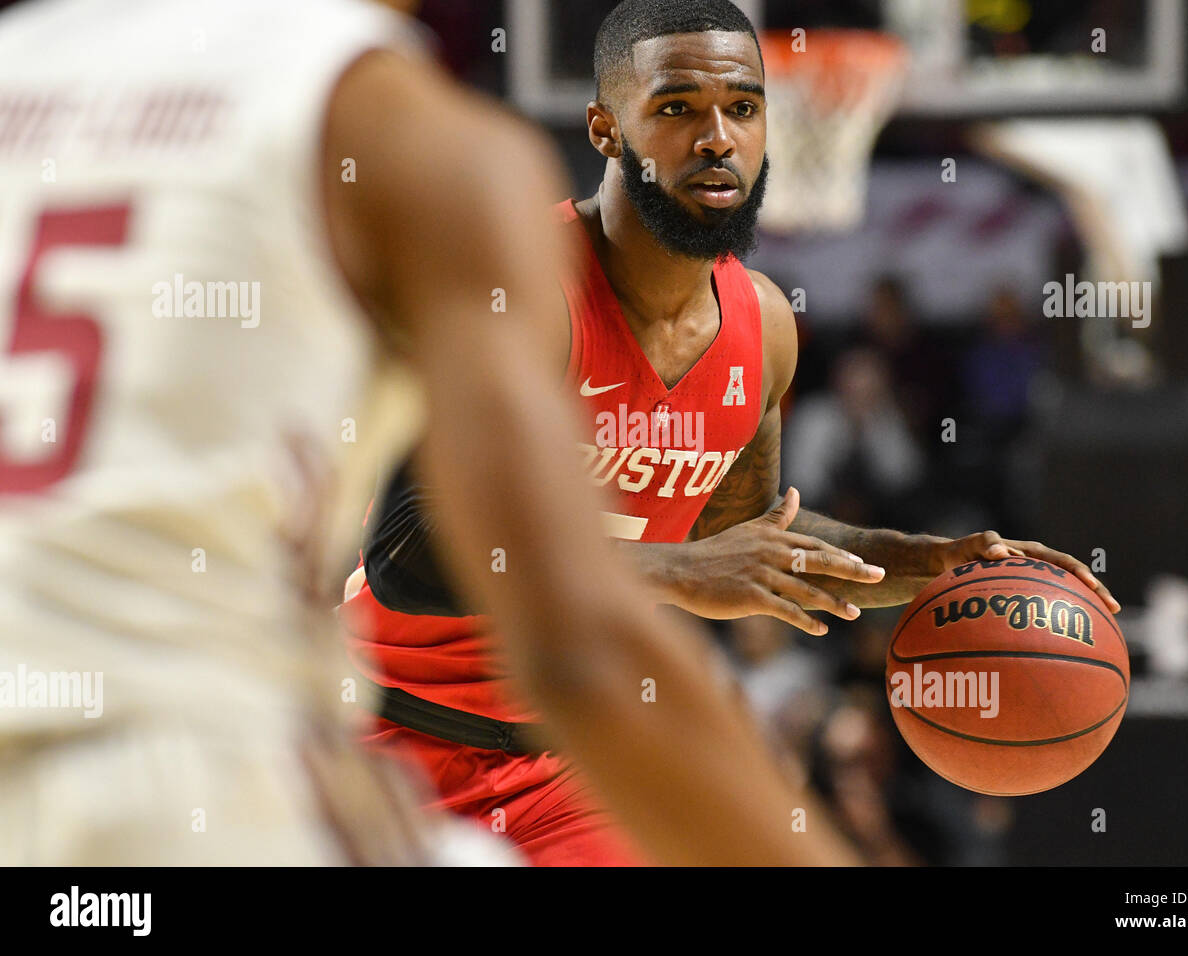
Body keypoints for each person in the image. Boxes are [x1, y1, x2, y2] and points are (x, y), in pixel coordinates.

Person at [0, 0, 855, 867]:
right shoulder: (406, 133)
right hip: (197, 763)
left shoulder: (20, 60)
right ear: (607, 127)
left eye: (743, 107)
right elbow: (568, 643)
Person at [343, 0, 1120, 866]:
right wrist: (675, 572)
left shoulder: (765, 327)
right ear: (606, 128)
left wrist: (924, 561)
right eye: (676, 108)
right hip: (374, 735)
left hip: (570, 762)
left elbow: (743, 537)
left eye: (743, 108)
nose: (717, 137)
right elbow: (408, 558)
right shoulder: (519, 282)